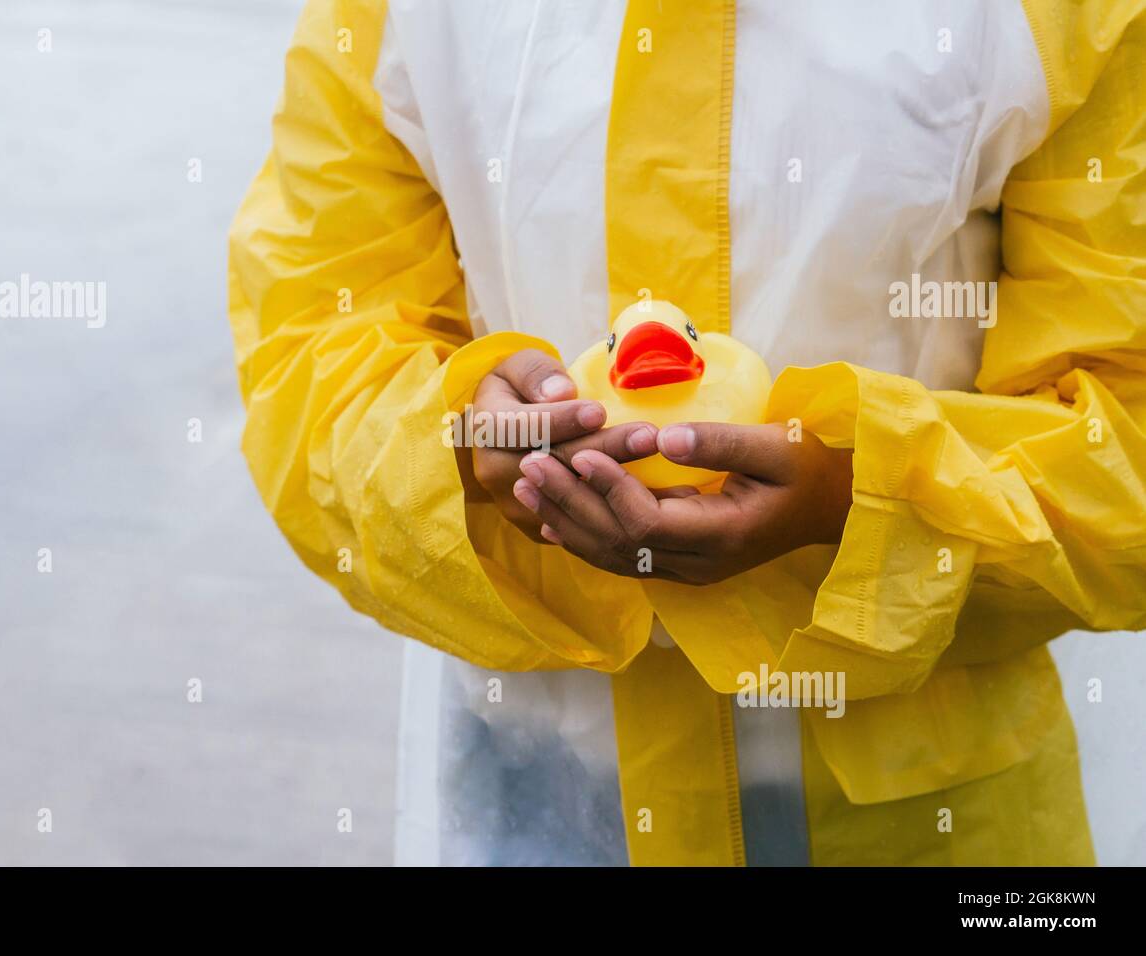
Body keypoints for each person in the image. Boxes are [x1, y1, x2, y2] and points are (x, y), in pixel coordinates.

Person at [227, 0, 1146, 865]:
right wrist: (457, 444)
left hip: (927, 828)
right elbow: (311, 341)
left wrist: (852, 499)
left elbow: (1126, 429)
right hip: (535, 796)